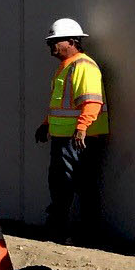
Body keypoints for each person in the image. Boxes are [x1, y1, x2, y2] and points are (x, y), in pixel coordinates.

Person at [34, 16, 107, 243]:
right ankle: (63, 231)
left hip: (79, 139)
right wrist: (46, 125)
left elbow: (92, 101)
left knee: (75, 185)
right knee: (63, 184)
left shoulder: (83, 66)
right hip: (66, 138)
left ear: (72, 41)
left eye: (56, 41)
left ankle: (81, 234)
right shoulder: (66, 68)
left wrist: (82, 128)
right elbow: (60, 103)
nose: (51, 46)